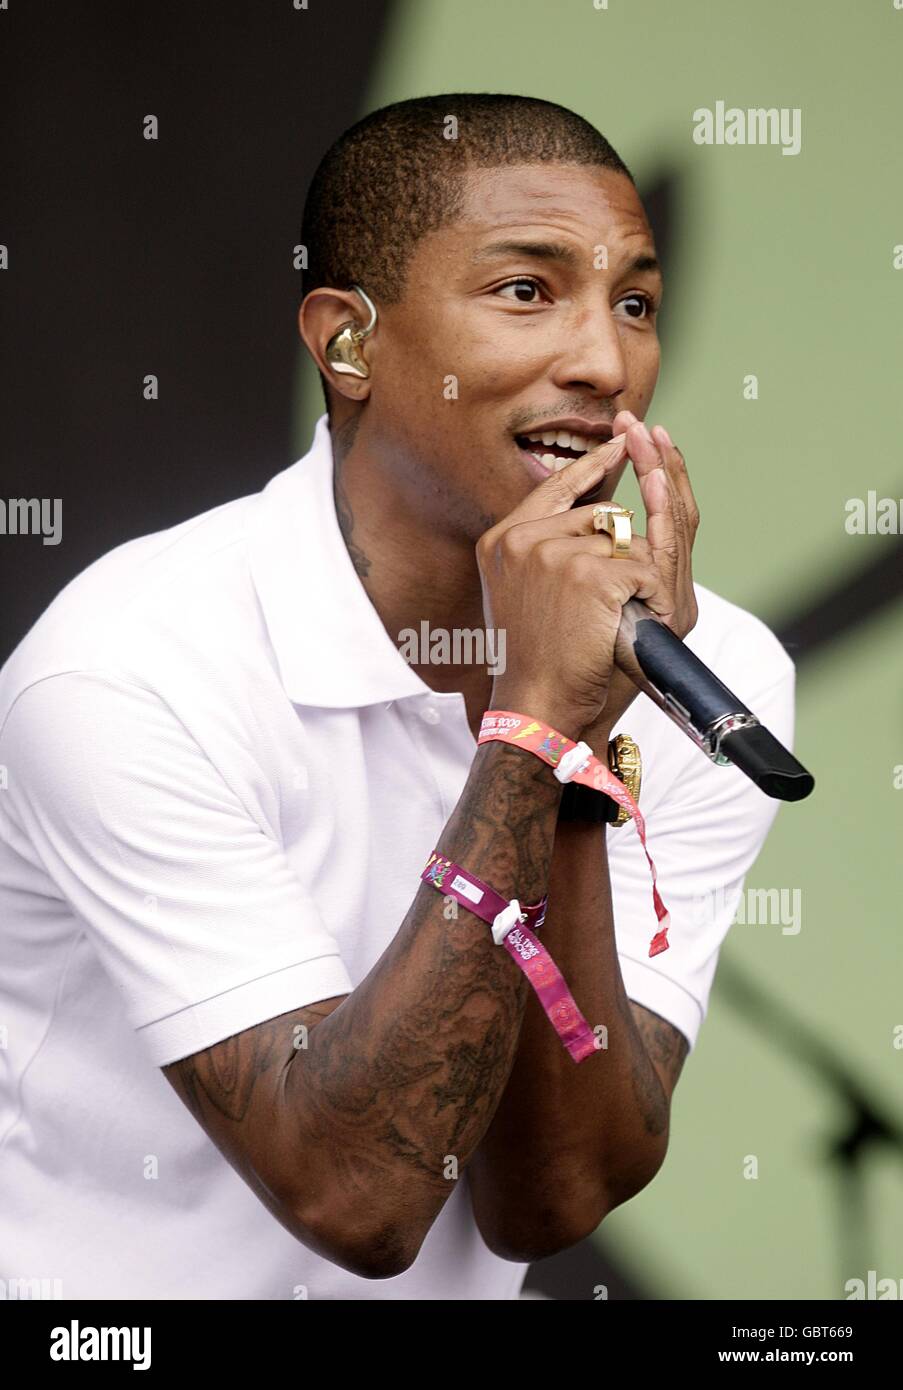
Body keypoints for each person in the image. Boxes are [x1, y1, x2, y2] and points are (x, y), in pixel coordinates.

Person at [0, 94, 795, 1300]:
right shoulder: (131, 664)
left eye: (634, 303)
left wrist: (579, 740)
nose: (604, 361)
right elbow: (357, 1197)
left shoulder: (707, 665)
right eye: (527, 291)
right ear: (348, 343)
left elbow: (551, 1194)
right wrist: (532, 731)